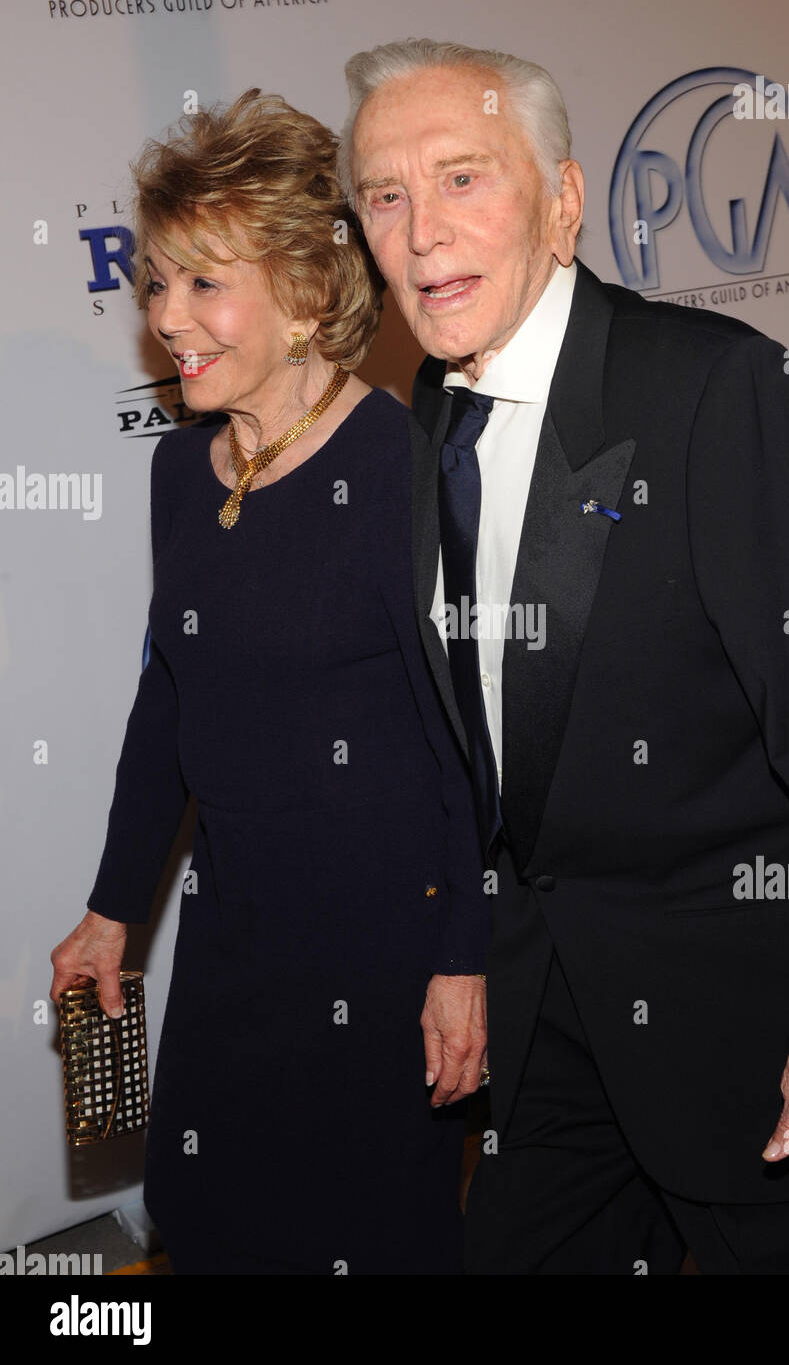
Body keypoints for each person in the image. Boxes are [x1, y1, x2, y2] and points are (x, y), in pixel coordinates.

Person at [338, 38, 789, 1275]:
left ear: (563, 203)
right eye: (386, 196)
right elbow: (500, 748)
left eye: (463, 178)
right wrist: (471, 953)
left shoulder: (717, 393)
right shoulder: (434, 415)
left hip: (757, 1046)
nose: (420, 231)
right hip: (554, 1031)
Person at [49, 88, 489, 1275]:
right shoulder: (185, 474)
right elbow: (170, 701)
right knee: (205, 1220)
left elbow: (470, 754)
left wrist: (466, 962)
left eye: (203, 282)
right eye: (157, 281)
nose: (167, 318)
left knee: (367, 1238)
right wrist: (112, 905)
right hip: (235, 938)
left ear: (305, 297)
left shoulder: (403, 474)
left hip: (386, 948)